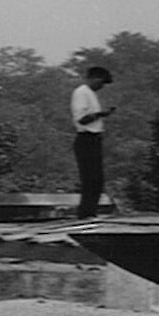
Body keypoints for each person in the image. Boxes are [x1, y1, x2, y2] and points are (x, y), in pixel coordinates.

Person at [71, 66, 113, 219]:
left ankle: (90, 211)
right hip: (86, 138)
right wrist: (101, 114)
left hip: (94, 139)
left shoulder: (91, 94)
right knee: (90, 178)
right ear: (94, 78)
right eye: (101, 82)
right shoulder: (82, 92)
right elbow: (82, 119)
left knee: (97, 179)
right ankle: (85, 213)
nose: (101, 86)